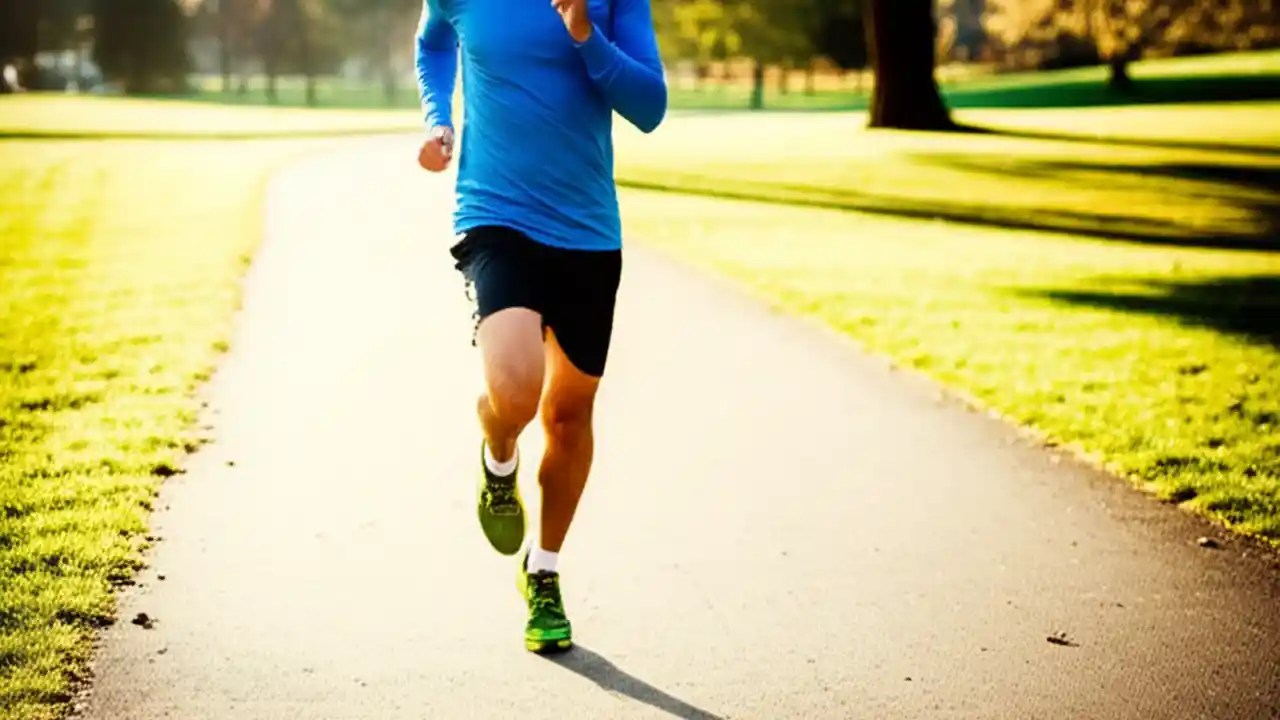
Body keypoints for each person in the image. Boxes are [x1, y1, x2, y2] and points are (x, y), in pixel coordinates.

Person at [414, 0, 666, 653]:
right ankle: (499, 455)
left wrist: (585, 33)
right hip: (494, 214)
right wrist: (439, 121)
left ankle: (543, 572)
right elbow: (434, 44)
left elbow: (650, 107)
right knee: (516, 389)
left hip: (587, 231)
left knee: (567, 416)